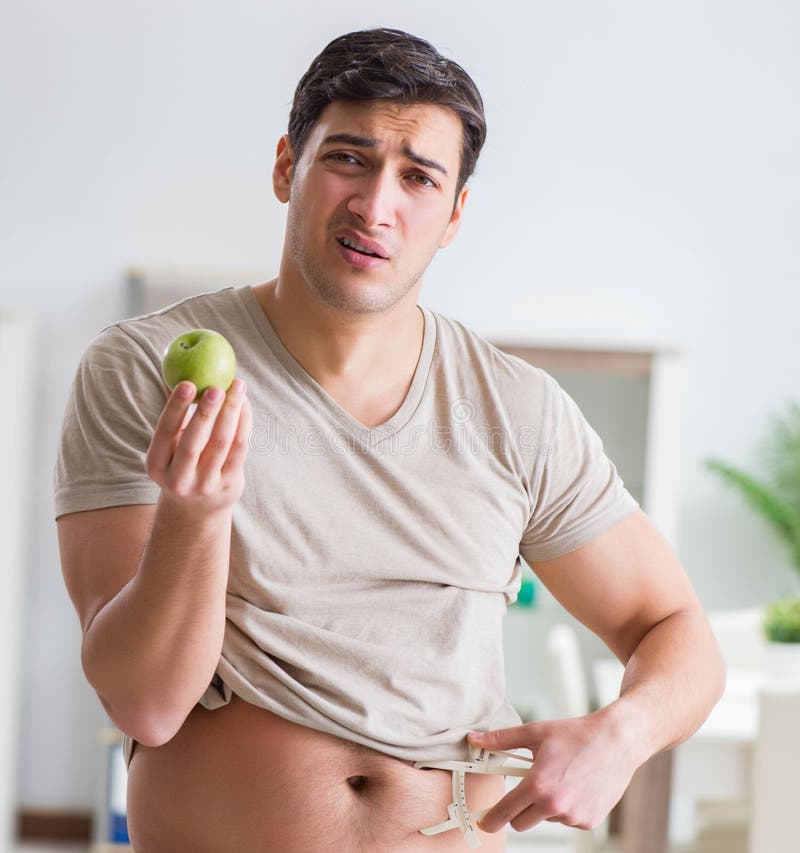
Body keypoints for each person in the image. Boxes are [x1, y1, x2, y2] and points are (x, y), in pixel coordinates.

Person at [54, 27, 725, 853]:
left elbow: (679, 631)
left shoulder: (517, 409)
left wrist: (621, 736)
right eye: (348, 158)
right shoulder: (151, 373)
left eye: (418, 177)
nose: (376, 206)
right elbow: (144, 704)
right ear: (284, 168)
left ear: (453, 216)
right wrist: (198, 514)